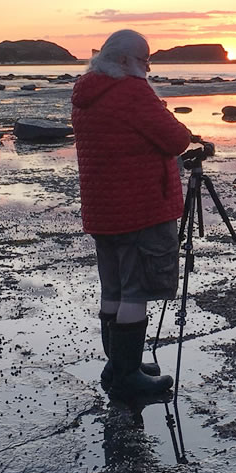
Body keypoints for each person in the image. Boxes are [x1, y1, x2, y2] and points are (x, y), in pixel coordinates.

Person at [72, 29, 193, 400]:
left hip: (104, 209)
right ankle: (127, 376)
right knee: (136, 290)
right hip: (140, 208)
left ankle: (120, 366)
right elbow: (176, 139)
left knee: (114, 289)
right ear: (124, 60)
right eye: (144, 60)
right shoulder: (132, 91)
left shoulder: (87, 92)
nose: (148, 66)